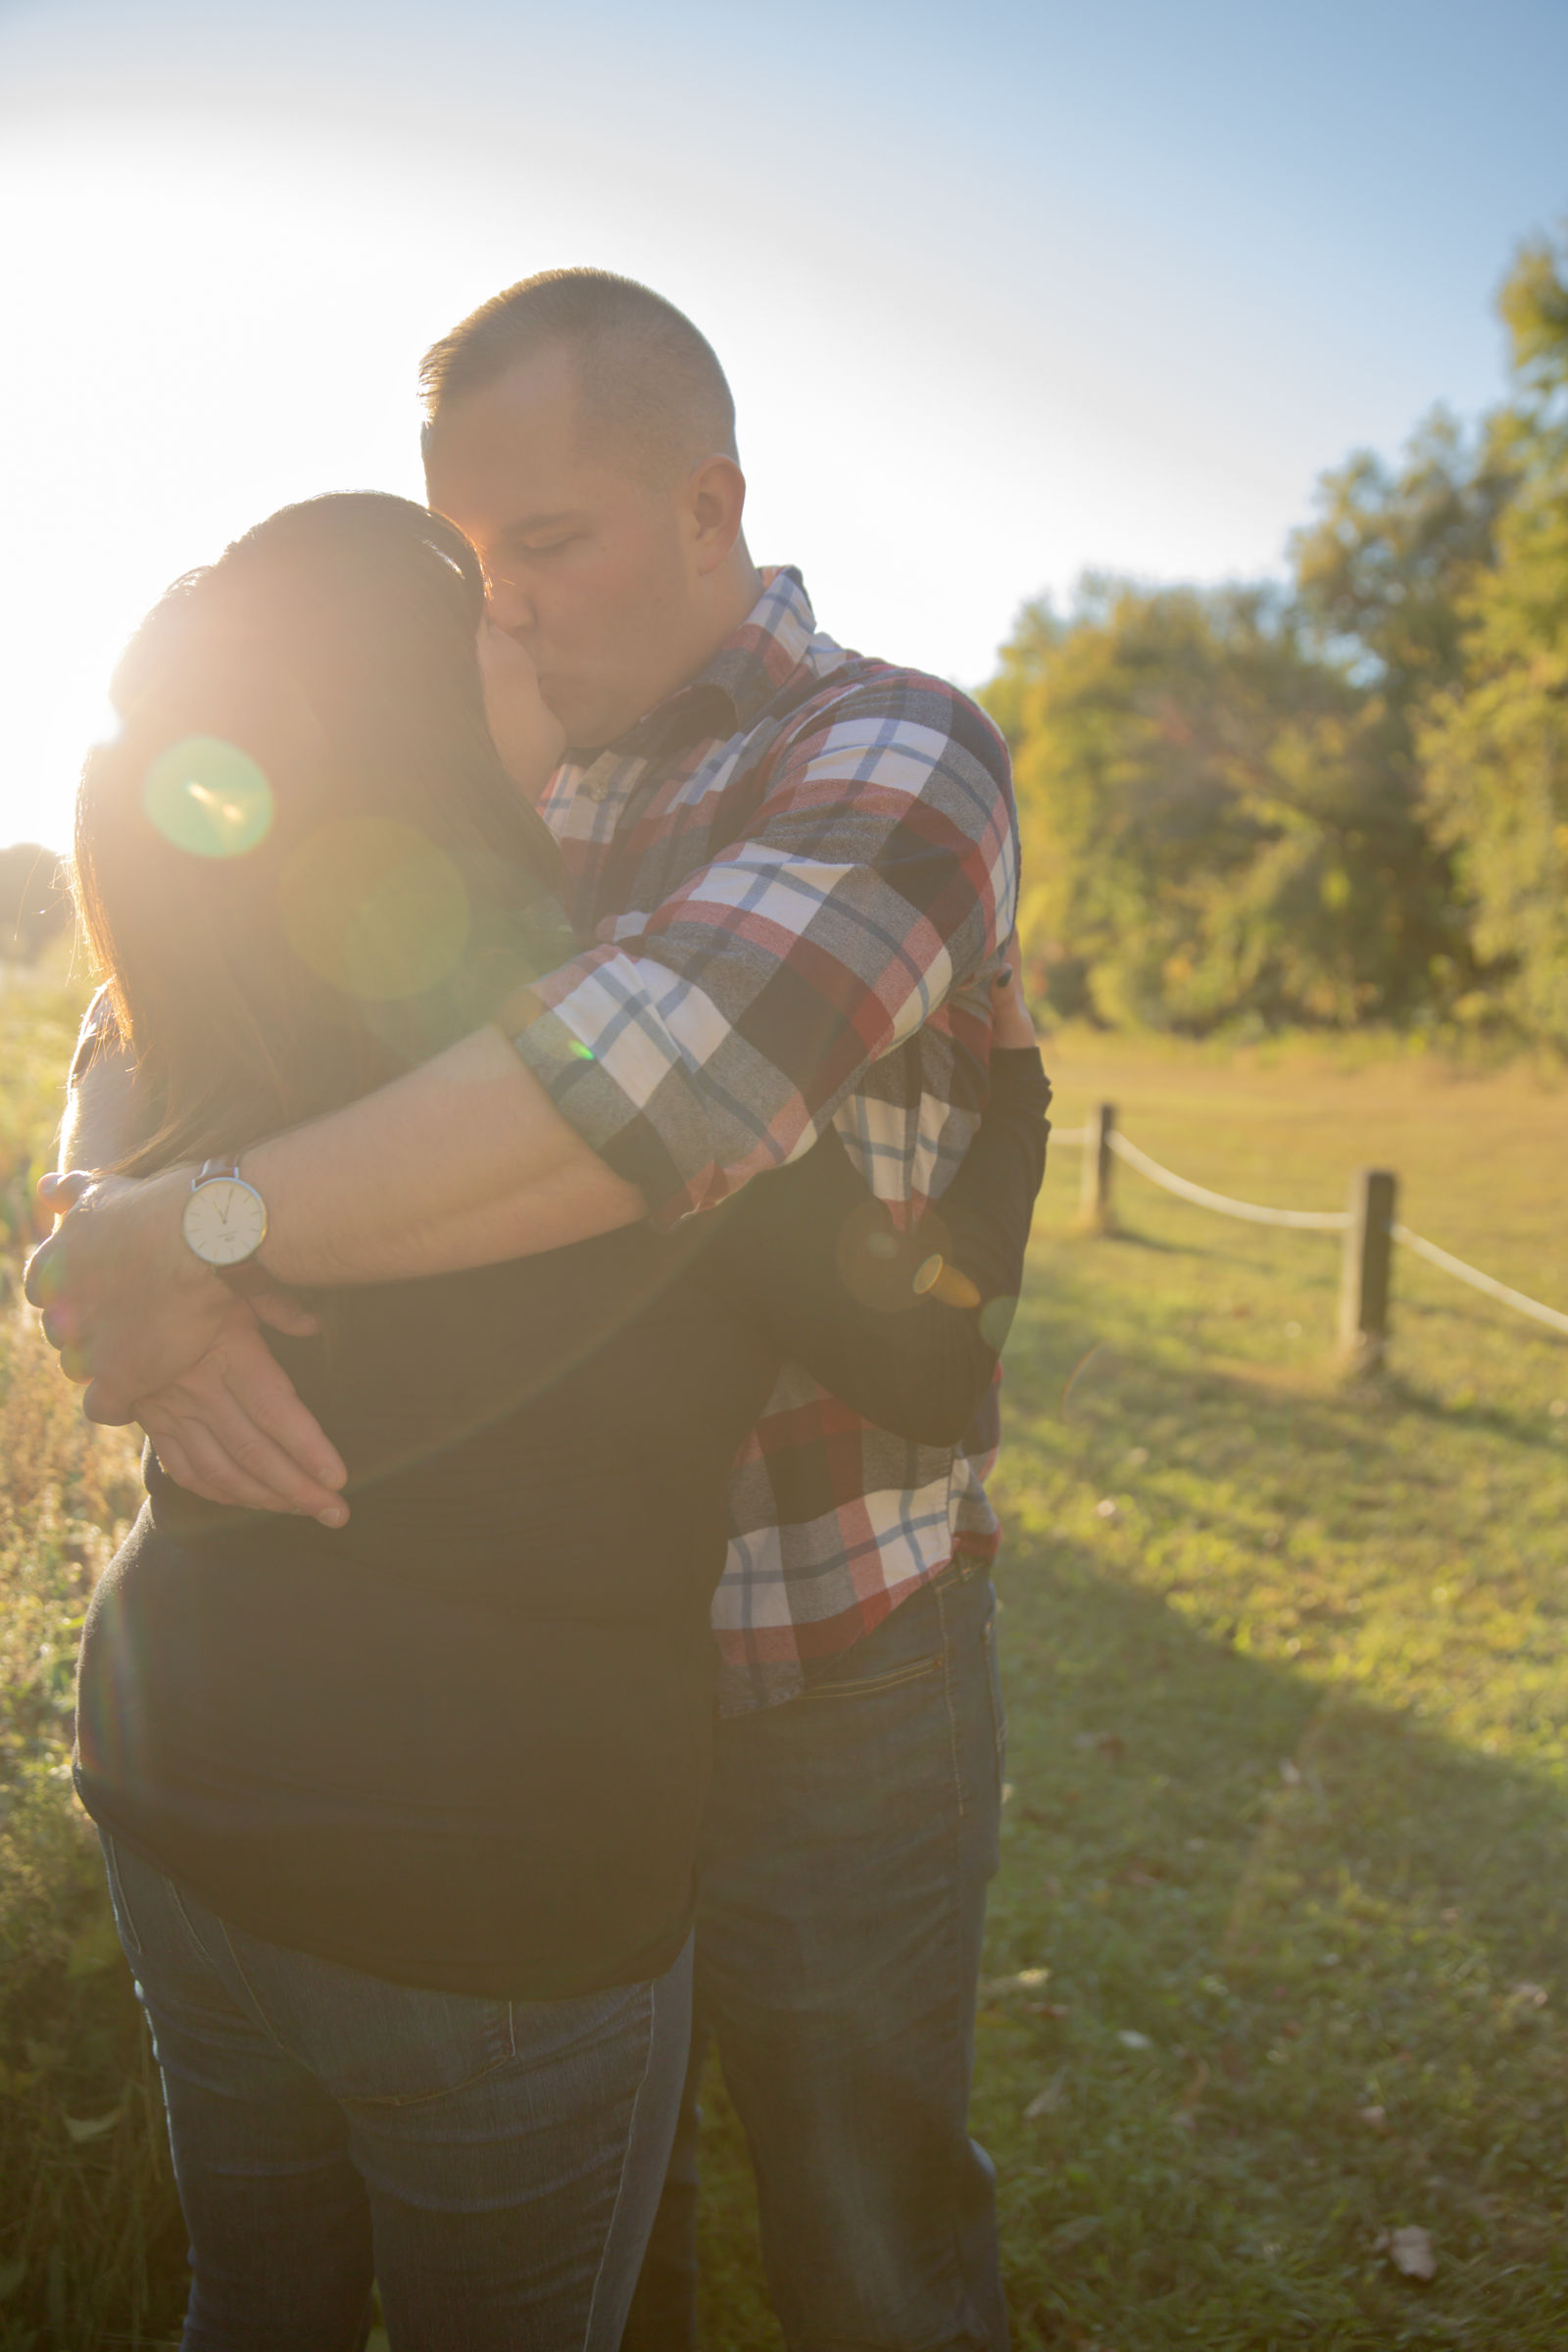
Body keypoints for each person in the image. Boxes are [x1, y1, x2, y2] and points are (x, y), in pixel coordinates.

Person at [33, 270, 1024, 2349]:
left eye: (548, 541)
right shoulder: (487, 733)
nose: (502, 603)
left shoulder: (887, 749)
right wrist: (128, 1251)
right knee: (600, 2229)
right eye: (466, 555)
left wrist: (197, 1235)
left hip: (824, 1632)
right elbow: (157, 996)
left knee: (859, 2215)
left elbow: (657, 1084)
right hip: (502, 1682)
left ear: (707, 504)